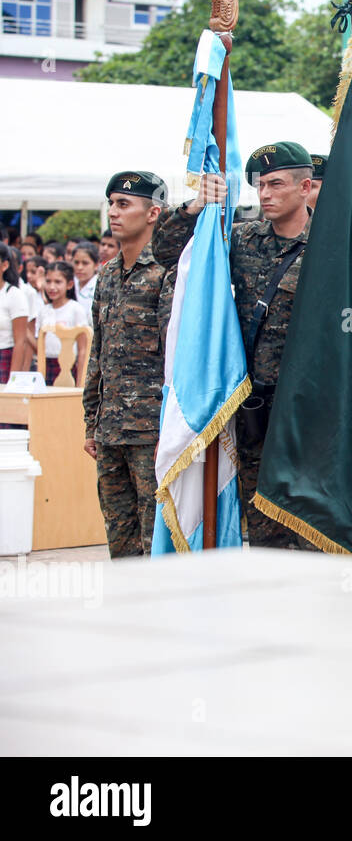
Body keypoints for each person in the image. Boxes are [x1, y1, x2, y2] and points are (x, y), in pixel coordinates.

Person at [153, 141, 314, 550]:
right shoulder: (242, 240)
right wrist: (196, 206)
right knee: (262, 526)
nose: (265, 194)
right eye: (260, 185)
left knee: (313, 525)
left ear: (305, 187)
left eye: (276, 184)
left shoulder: (332, 244)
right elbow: (169, 251)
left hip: (310, 412)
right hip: (253, 409)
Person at [82, 172, 168, 558]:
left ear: (153, 213)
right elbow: (98, 355)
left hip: (151, 433)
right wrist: (92, 423)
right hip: (111, 432)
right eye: (111, 204)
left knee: (155, 542)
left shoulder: (167, 272)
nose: (113, 213)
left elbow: (176, 358)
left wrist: (171, 433)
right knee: (120, 542)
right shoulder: (107, 275)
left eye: (123, 204)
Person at [36, 261, 89, 385]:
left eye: (58, 282)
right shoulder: (44, 311)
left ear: (69, 284)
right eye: (48, 281)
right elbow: (39, 344)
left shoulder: (75, 309)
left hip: (69, 365)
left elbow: (83, 349)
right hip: (46, 365)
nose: (52, 287)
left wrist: (80, 382)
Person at [0, 245, 31, 383]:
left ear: (5, 265)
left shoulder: (14, 294)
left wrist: (13, 380)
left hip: (4, 356)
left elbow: (20, 341)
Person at [70, 241, 98, 317]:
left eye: (85, 263)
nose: (80, 267)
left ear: (96, 265)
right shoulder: (68, 284)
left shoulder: (100, 286)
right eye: (76, 262)